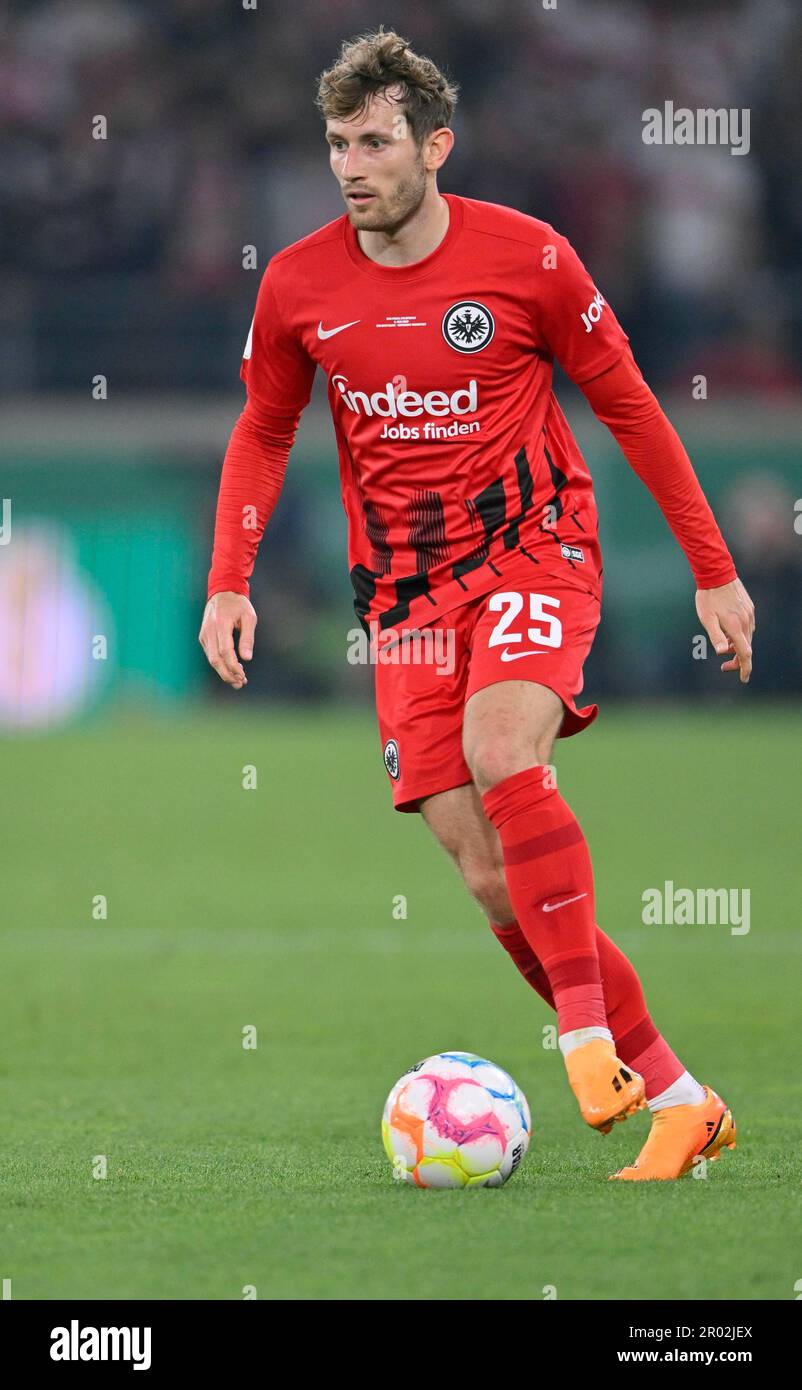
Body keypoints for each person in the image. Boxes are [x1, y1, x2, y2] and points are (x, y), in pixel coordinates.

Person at [200, 28, 754, 1179]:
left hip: (534, 550)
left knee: (504, 748)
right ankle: (681, 1100)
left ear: (435, 145)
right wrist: (228, 582)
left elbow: (633, 408)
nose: (351, 166)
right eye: (336, 143)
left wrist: (712, 567)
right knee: (483, 868)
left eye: (375, 142)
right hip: (401, 595)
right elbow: (262, 429)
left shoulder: (531, 260)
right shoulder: (298, 281)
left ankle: (586, 1039)